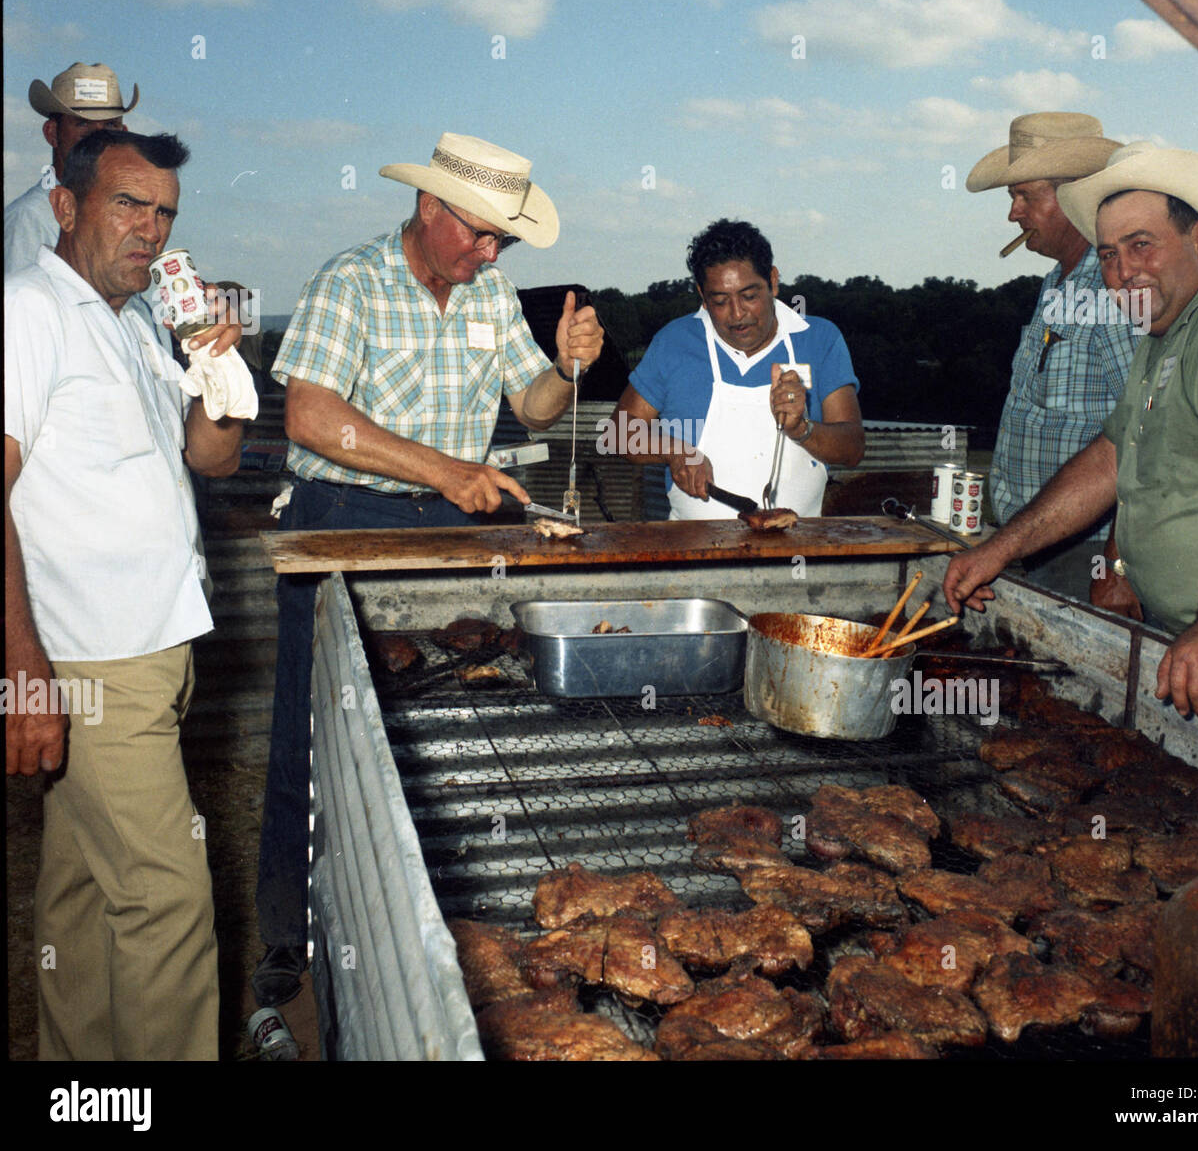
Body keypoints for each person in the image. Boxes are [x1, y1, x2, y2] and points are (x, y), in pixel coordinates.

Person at [255, 132, 604, 1007]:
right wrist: (445, 469)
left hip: (453, 527)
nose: (491, 255)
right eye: (481, 235)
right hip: (344, 520)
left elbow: (532, 407)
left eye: (503, 243)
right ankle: (285, 938)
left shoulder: (488, 292)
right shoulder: (352, 281)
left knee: (446, 709)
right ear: (429, 207)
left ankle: (432, 903)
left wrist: (571, 367)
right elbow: (309, 417)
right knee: (314, 722)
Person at [4, 128, 247, 1060]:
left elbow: (208, 460)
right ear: (65, 206)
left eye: (164, 214)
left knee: (83, 891)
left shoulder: (143, 318)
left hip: (162, 643)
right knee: (167, 902)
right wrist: (23, 666)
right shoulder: (29, 308)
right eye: (126, 205)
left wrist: (220, 379)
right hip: (89, 660)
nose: (149, 231)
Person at [944, 143, 1198, 720]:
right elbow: (1110, 459)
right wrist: (999, 549)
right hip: (1195, 638)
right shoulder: (1161, 334)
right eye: (1109, 254)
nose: (1122, 271)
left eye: (1142, 245)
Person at [966, 112, 1141, 603]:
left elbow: (1150, 436)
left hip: (1083, 555)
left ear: (1075, 196)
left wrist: (1119, 560)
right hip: (1031, 544)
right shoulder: (1056, 284)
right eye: (1011, 198)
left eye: (1026, 196)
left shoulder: (1115, 291)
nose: (1013, 214)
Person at [614, 218, 863, 517]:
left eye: (749, 296)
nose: (737, 314)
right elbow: (617, 434)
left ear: (772, 281)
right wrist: (673, 450)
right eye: (720, 301)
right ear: (702, 296)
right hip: (692, 551)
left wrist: (802, 429)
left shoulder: (819, 339)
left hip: (799, 550)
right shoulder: (674, 342)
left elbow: (852, 449)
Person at [5, 61, 136, 274]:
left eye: (110, 125)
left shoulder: (124, 217)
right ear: (52, 133)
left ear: (125, 133)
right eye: (83, 123)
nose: (98, 137)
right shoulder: (29, 220)